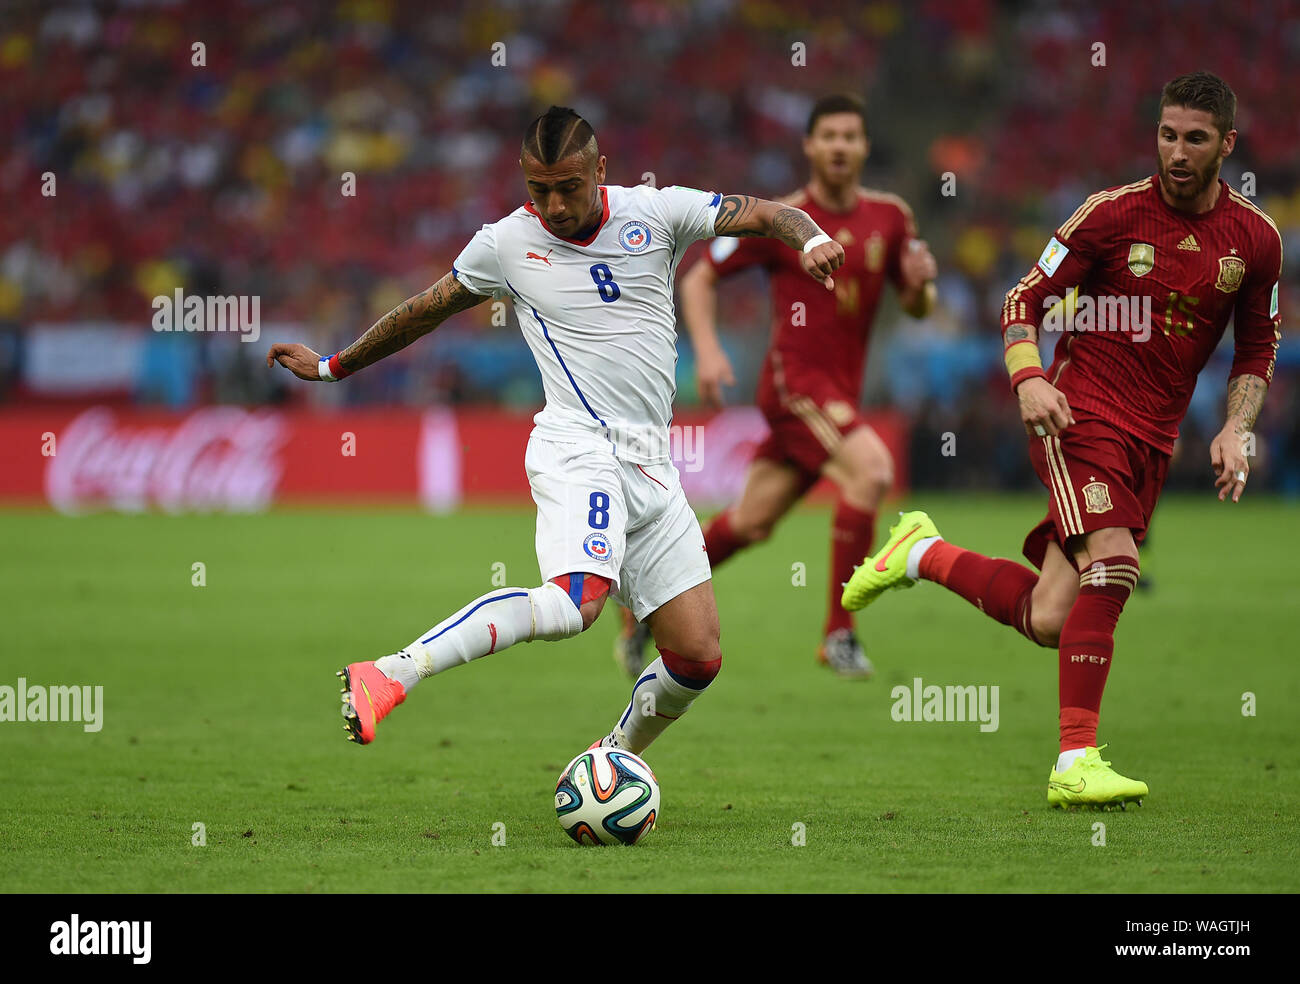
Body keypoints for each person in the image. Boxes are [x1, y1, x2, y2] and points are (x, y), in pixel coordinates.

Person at [267, 106, 845, 754]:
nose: (555, 204)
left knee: (697, 657)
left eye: (569, 186)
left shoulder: (655, 214)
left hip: (651, 465)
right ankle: (389, 674)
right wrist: (332, 366)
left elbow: (765, 214)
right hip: (578, 448)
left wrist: (813, 237)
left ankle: (611, 761)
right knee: (575, 605)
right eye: (538, 189)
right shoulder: (505, 243)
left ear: (600, 170)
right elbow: (422, 311)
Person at [843, 72, 1281, 808]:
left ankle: (918, 551)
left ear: (1226, 145)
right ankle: (1075, 761)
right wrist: (1028, 377)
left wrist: (1238, 427)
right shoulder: (1109, 216)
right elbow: (1025, 296)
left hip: (1154, 440)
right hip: (1079, 413)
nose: (1177, 152)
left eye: (1195, 139)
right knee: (1115, 566)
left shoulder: (1255, 240)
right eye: (1168, 135)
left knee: (1052, 617)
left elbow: (1258, 344)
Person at [614, 93, 937, 680]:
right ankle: (838, 636)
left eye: (850, 136)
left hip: (839, 397)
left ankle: (640, 604)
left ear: (864, 147)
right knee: (872, 472)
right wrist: (708, 353)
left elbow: (917, 308)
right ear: (810, 146)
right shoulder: (784, 220)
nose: (840, 146)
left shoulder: (890, 217)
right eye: (829, 136)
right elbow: (700, 277)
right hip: (795, 390)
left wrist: (920, 290)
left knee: (751, 523)